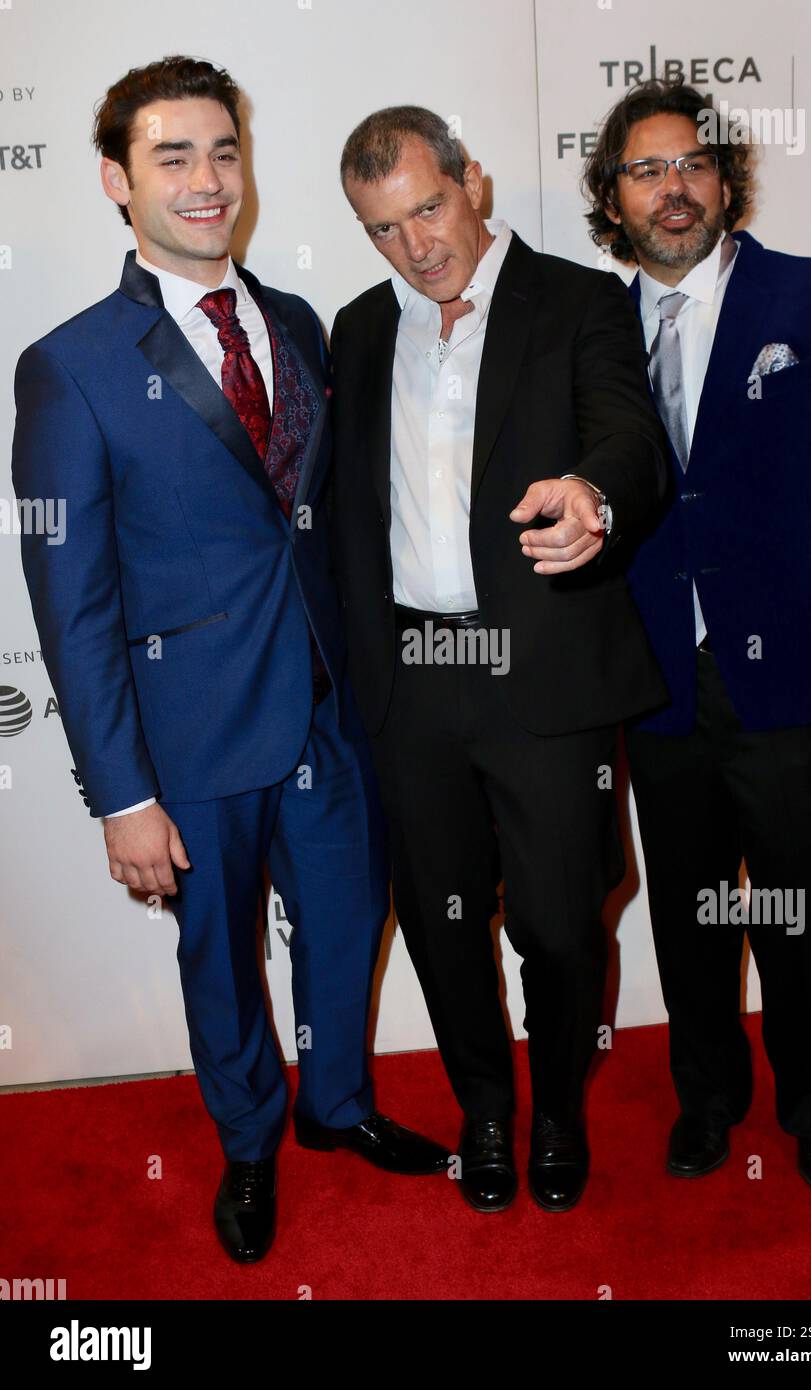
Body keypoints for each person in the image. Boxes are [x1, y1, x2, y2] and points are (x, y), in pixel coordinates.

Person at [11, 57, 448, 1266]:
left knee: (351, 915)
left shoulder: (297, 321)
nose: (207, 182)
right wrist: (123, 793)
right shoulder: (71, 365)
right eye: (172, 156)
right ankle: (248, 1141)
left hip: (330, 711)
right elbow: (71, 600)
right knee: (222, 954)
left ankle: (338, 1104)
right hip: (190, 734)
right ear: (116, 177)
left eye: (222, 151)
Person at [330, 106, 669, 1213]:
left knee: (562, 923)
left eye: (429, 207)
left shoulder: (577, 302)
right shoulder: (358, 329)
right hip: (412, 677)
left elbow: (629, 439)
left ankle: (558, 1106)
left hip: (546, 671)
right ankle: (485, 1108)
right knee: (439, 920)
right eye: (385, 228)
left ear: (471, 180)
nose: (416, 245)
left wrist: (594, 495)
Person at [582, 76, 811, 1201]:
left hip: (794, 669)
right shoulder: (592, 331)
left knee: (805, 905)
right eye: (645, 171)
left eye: (690, 166)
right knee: (688, 907)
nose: (672, 190)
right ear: (612, 199)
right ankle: (706, 1097)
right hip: (659, 677)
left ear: (723, 180)